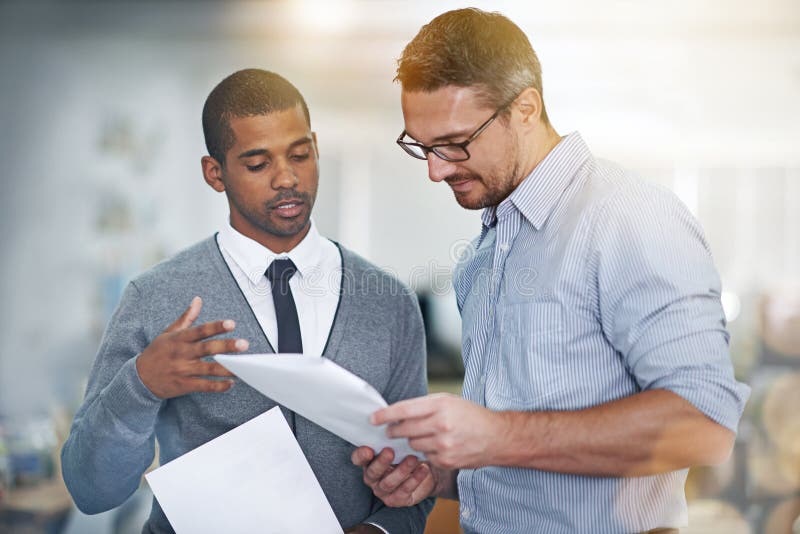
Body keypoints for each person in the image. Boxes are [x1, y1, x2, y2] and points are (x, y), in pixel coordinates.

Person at [352, 8, 750, 533]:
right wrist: (442, 470)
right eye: (421, 146)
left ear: (525, 108)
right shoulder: (485, 253)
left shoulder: (628, 217)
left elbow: (705, 426)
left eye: (454, 143)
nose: (436, 169)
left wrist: (498, 435)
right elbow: (523, 450)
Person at [62, 68, 432, 534]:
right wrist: (142, 384)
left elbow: (417, 480)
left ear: (315, 147)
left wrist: (380, 531)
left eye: (300, 154)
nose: (286, 178)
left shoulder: (389, 303)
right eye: (258, 164)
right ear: (214, 173)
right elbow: (91, 490)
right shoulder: (155, 298)